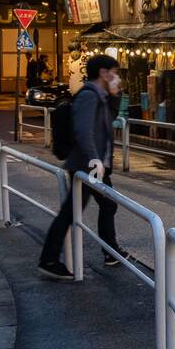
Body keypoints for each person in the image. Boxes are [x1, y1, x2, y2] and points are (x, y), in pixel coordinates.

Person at [38, 55, 129, 280]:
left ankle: (110, 252)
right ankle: (49, 260)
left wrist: (116, 95)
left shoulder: (101, 96)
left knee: (108, 205)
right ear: (103, 73)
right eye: (114, 72)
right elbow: (83, 130)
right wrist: (94, 159)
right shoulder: (89, 96)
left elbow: (111, 120)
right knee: (71, 212)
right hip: (86, 165)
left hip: (95, 166)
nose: (116, 76)